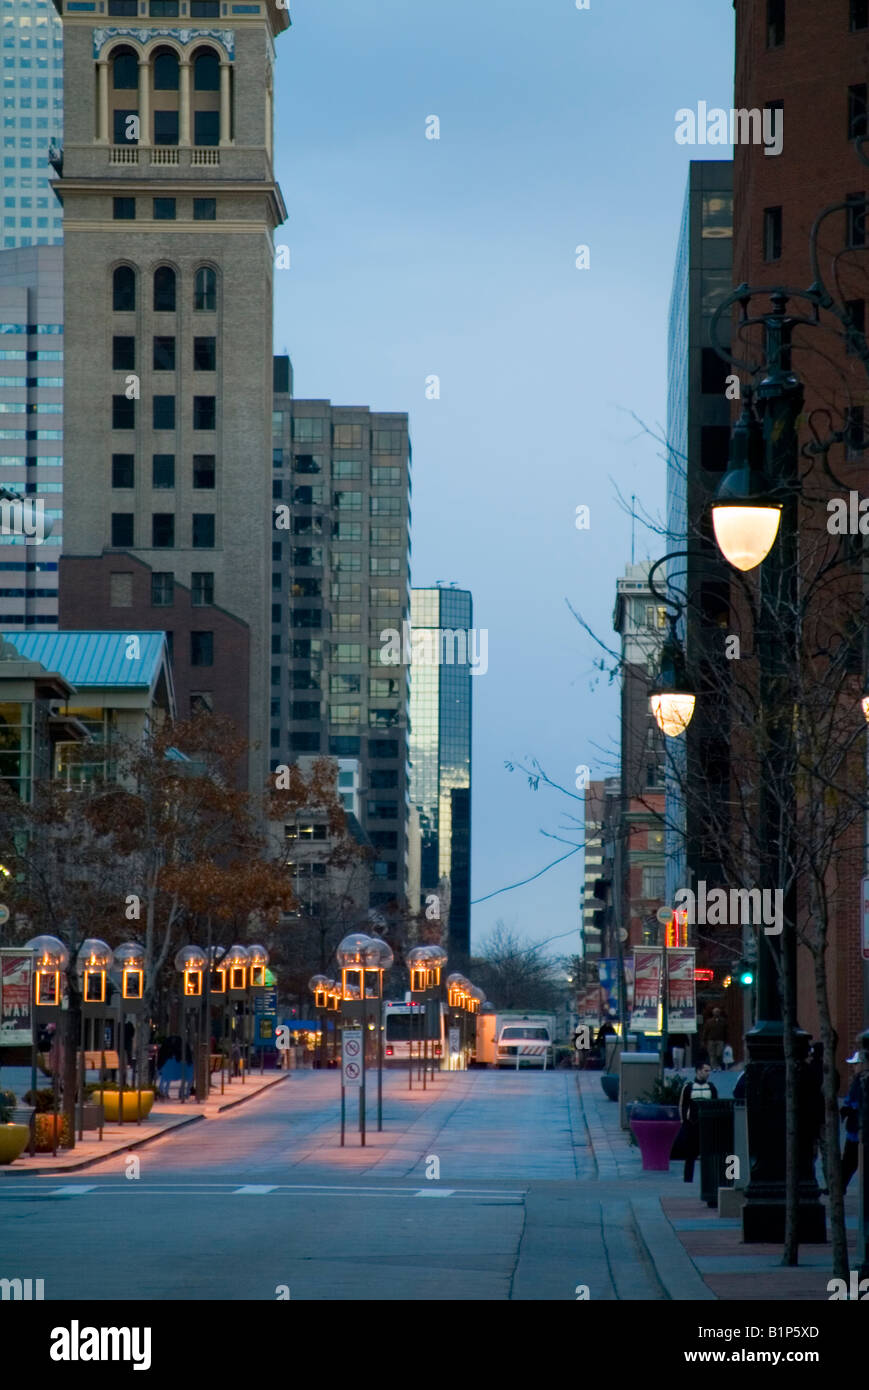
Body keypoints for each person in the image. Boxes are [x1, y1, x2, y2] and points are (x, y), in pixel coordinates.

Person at [677, 1063, 718, 1183]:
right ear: (698, 1071)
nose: (708, 1073)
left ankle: (708, 1181)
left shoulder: (711, 1087)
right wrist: (684, 1122)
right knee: (690, 1156)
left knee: (707, 1156)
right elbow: (682, 1105)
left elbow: (715, 1105)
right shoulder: (688, 1087)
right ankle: (688, 1180)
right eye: (706, 1070)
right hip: (692, 1125)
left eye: (709, 1070)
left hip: (706, 1126)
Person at [841, 1049, 866, 1192]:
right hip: (854, 1129)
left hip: (857, 1130)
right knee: (849, 1162)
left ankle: (840, 1185)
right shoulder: (857, 1081)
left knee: (850, 1161)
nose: (854, 1067)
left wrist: (848, 1108)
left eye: (856, 1064)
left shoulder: (860, 1082)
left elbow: (855, 1103)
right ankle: (840, 1185)